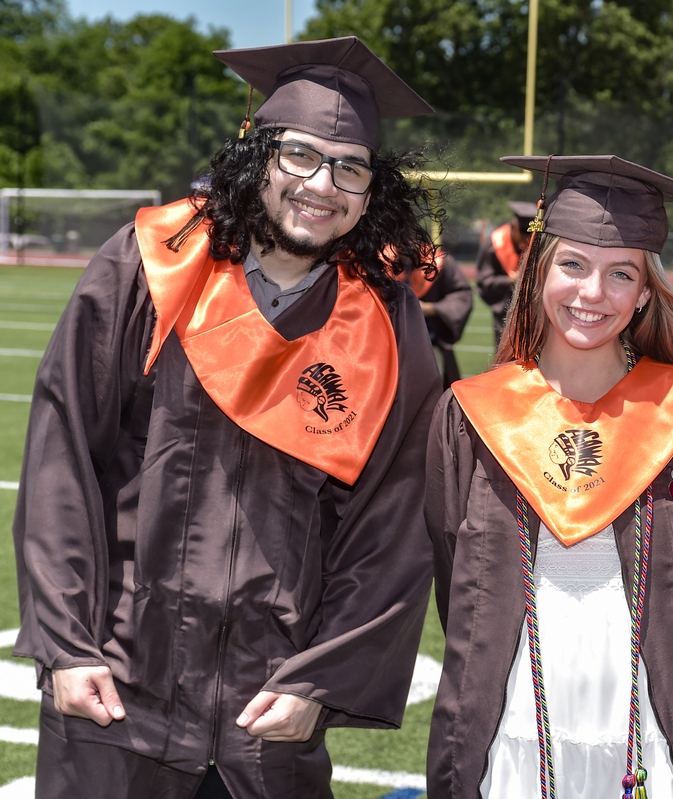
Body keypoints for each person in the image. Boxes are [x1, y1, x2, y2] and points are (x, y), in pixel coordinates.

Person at [12, 36, 443, 799]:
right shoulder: (150, 267)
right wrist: (68, 642)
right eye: (301, 156)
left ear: (374, 192)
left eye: (351, 167)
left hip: (266, 718)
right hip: (118, 694)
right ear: (259, 155)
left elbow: (392, 524)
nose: (323, 185)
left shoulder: (385, 326)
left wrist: (322, 677)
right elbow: (62, 452)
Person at [425, 155, 673, 798]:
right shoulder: (472, 412)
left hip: (648, 703)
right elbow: (453, 573)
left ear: (643, 294)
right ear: (538, 270)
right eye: (572, 264)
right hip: (518, 694)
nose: (592, 294)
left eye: (620, 274)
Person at [407, 245, 474, 389]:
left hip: (433, 345)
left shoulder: (440, 262)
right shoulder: (380, 262)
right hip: (391, 349)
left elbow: (462, 295)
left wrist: (432, 309)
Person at [476, 199, 536, 344]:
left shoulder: (535, 242)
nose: (525, 240)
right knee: (504, 354)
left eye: (530, 235)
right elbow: (484, 282)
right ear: (514, 226)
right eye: (523, 234)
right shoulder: (494, 244)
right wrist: (511, 281)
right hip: (504, 310)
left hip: (532, 310)